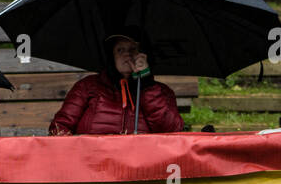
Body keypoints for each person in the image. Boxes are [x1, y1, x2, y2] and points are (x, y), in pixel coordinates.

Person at [48, 32, 183, 135]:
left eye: (133, 49)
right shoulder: (87, 86)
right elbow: (59, 128)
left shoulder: (161, 92)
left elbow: (173, 133)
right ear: (112, 56)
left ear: (144, 55)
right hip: (92, 161)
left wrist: (146, 84)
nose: (127, 54)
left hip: (141, 162)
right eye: (120, 50)